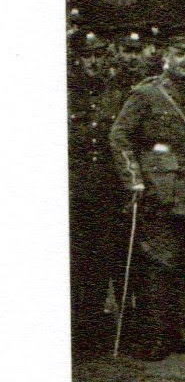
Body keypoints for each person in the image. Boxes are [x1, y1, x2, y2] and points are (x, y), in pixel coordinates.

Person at [110, 27, 185, 360]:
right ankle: (155, 333)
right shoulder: (146, 94)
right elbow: (119, 137)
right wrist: (134, 179)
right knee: (158, 260)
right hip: (157, 188)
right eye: (180, 54)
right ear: (166, 57)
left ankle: (184, 328)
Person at [68, 30, 126, 347]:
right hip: (75, 190)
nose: (93, 62)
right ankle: (82, 324)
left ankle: (103, 324)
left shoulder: (116, 95)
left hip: (108, 189)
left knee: (107, 254)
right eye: (88, 56)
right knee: (79, 258)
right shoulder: (65, 93)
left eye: (99, 56)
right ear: (77, 59)